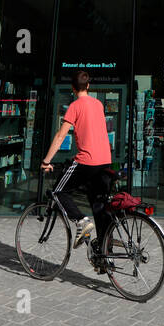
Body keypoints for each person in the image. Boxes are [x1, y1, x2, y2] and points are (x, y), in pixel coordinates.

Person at [41, 70, 113, 255]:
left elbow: (60, 136)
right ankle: (105, 255)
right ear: (88, 86)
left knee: (57, 191)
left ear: (73, 88)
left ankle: (82, 221)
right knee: (99, 205)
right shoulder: (98, 104)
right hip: (105, 161)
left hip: (87, 161)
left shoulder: (75, 106)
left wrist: (46, 161)